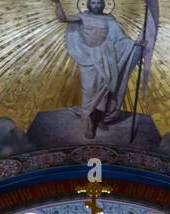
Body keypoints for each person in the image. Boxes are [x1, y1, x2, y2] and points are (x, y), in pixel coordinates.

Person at [53, 0, 147, 139]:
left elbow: (120, 39)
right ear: (88, 4)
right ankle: (88, 123)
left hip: (107, 57)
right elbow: (63, 19)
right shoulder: (82, 17)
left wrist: (135, 44)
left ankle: (99, 119)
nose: (96, 5)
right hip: (88, 57)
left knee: (106, 90)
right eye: (93, 3)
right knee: (89, 90)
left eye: (99, 3)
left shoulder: (109, 19)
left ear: (104, 4)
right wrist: (57, 4)